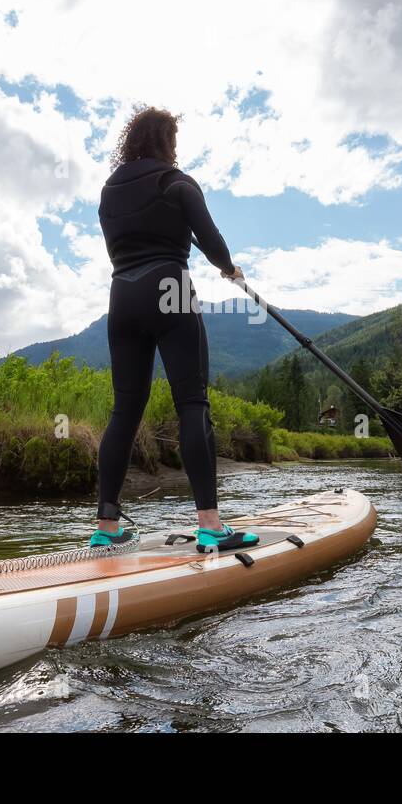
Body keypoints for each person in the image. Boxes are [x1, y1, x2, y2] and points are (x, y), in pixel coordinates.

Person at [91, 106, 258, 553]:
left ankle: (107, 527)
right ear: (167, 141)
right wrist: (230, 269)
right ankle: (210, 524)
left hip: (121, 296)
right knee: (192, 402)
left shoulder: (109, 191)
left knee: (125, 409)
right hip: (168, 285)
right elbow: (213, 240)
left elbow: (126, 240)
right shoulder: (177, 181)